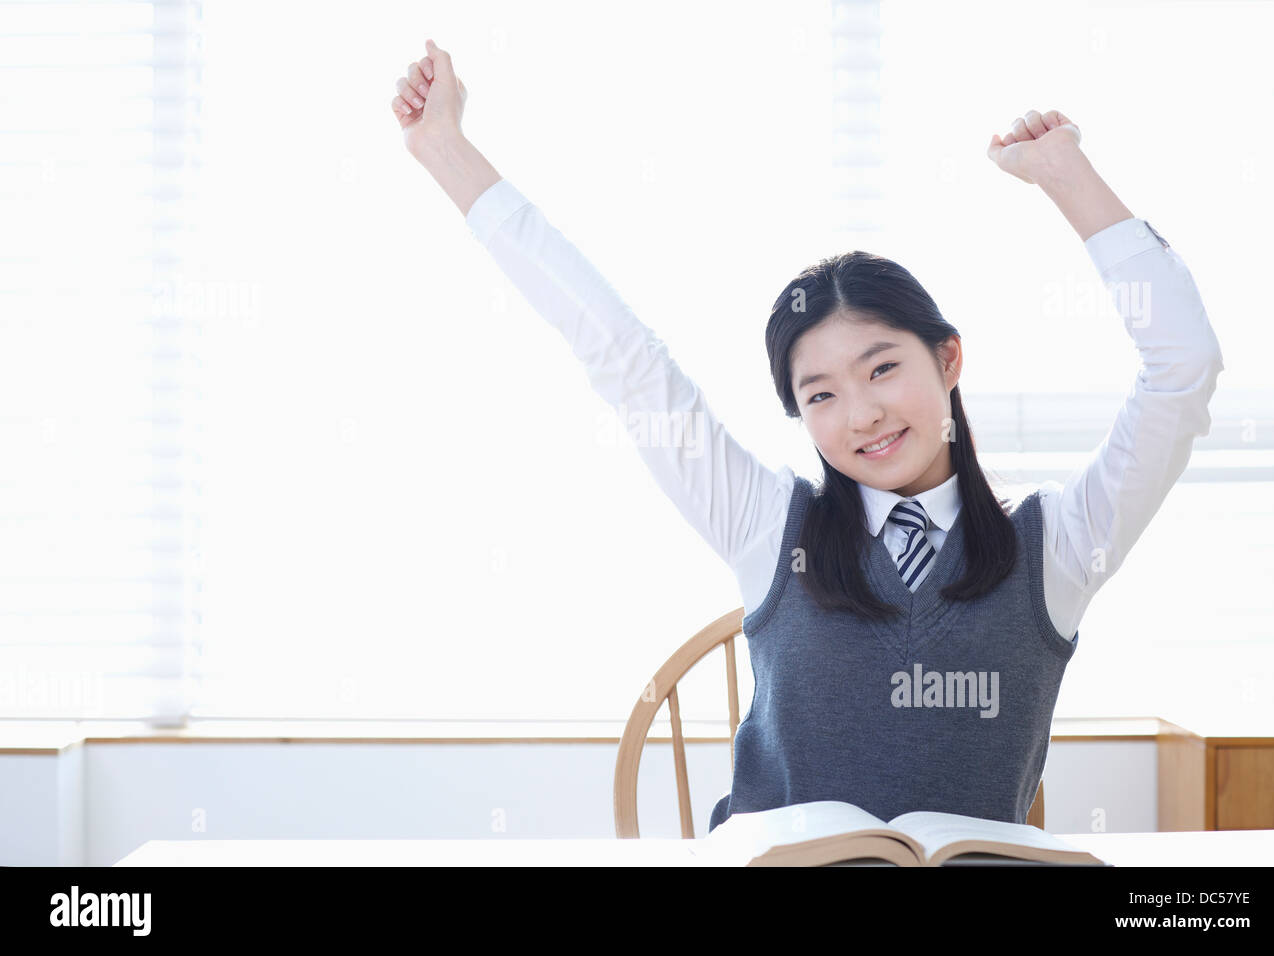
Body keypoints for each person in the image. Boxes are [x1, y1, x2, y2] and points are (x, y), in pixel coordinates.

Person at [391, 40, 1225, 833]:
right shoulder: (766, 523)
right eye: (819, 393)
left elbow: (1183, 369)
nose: (861, 414)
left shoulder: (1057, 546)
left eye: (882, 369)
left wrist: (1065, 176)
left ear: (949, 358)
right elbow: (621, 356)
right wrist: (446, 153)